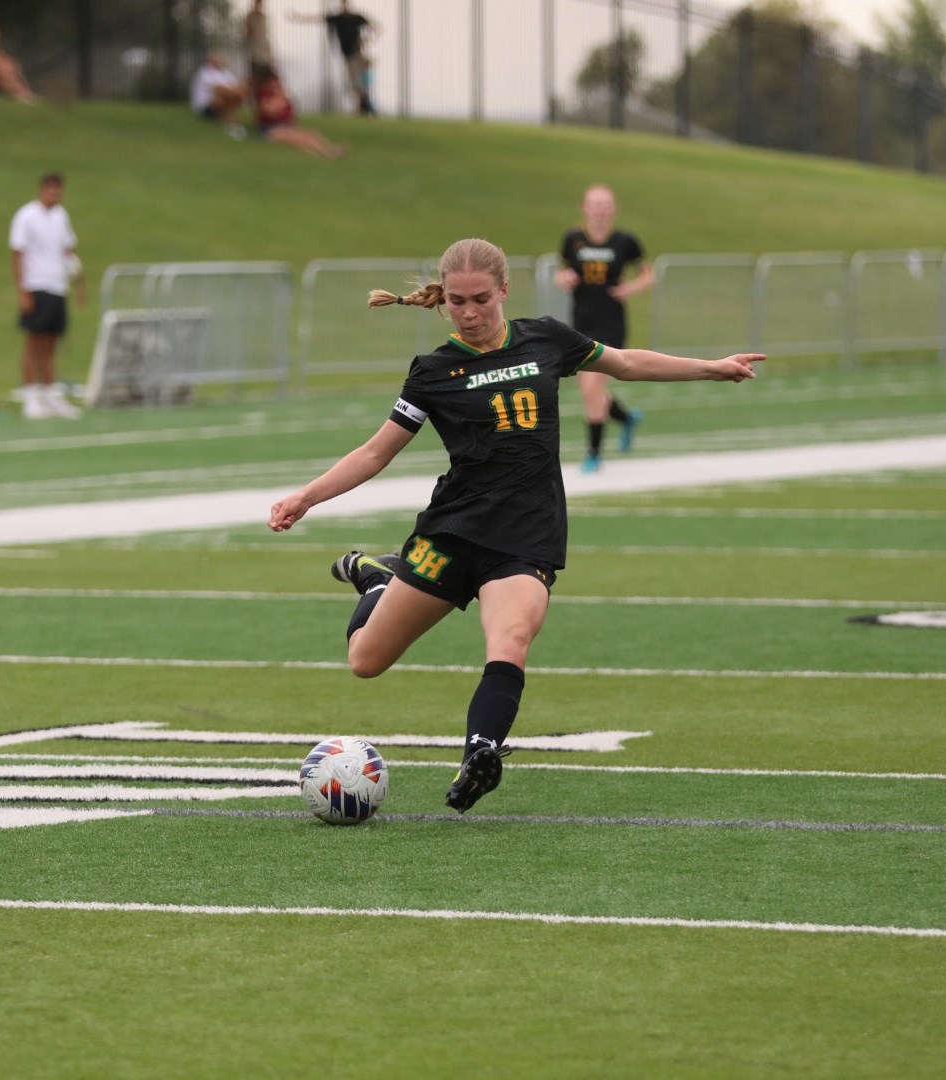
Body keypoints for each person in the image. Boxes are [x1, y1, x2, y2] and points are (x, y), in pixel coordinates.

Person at [267, 238, 761, 813]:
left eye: (481, 299)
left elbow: (624, 363)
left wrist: (712, 368)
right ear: (442, 301)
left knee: (510, 640)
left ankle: (481, 752)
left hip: (525, 537)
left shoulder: (545, 339)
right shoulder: (433, 371)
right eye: (457, 302)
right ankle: (380, 580)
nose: (470, 313)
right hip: (450, 533)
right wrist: (307, 496)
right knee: (365, 661)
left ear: (504, 291)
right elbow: (377, 453)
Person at [554, 184, 654, 472]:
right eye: (593, 204)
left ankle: (594, 455)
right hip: (581, 322)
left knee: (591, 387)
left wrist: (630, 288)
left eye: (604, 204)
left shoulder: (624, 241)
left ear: (613, 209)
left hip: (611, 322)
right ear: (584, 208)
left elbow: (648, 275)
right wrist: (564, 279)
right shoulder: (574, 239)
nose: (599, 209)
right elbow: (562, 271)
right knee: (593, 389)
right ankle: (625, 418)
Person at [9, 173, 85, 420]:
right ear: (42, 190)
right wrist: (22, 290)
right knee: (34, 343)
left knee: (52, 344)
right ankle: (31, 397)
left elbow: (69, 251)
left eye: (58, 191)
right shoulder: (27, 216)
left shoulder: (61, 217)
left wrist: (79, 284)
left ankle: (52, 396)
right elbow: (18, 254)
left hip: (58, 287)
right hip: (37, 285)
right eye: (51, 190)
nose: (55, 195)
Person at [291, 0, 378, 116]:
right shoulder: (338, 19)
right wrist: (299, 18)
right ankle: (364, 106)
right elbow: (318, 19)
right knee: (356, 83)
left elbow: (376, 28)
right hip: (348, 56)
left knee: (358, 82)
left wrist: (365, 40)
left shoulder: (357, 18)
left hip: (356, 55)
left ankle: (364, 107)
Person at [254, 75, 346, 158]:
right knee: (298, 138)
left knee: (311, 133)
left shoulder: (282, 96)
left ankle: (328, 147)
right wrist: (279, 100)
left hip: (286, 125)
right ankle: (326, 153)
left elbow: (286, 109)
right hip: (270, 129)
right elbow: (270, 111)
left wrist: (279, 100)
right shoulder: (264, 96)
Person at [190, 53, 247, 138]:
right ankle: (231, 123)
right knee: (223, 96)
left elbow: (237, 85)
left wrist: (238, 91)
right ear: (210, 61)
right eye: (218, 60)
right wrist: (236, 92)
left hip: (224, 99)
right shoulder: (204, 73)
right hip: (205, 105)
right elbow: (218, 89)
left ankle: (231, 122)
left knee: (233, 95)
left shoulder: (225, 73)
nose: (221, 62)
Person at [242, 0, 277, 94]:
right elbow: (248, 34)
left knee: (271, 79)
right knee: (256, 81)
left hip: (266, 54)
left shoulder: (264, 17)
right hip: (256, 55)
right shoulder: (250, 16)